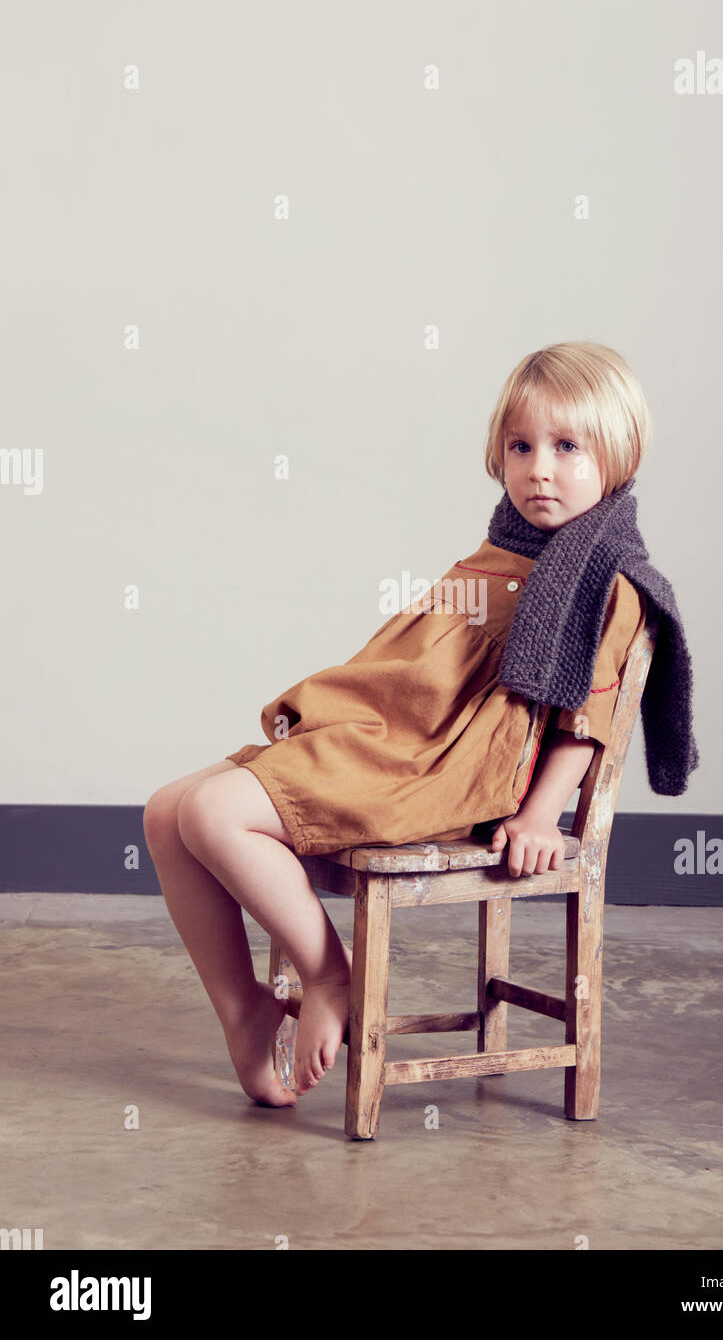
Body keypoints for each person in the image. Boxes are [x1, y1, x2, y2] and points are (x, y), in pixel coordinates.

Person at [143, 341, 692, 1111]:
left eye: (569, 447)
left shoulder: (604, 579)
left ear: (618, 455)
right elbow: (419, 657)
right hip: (397, 736)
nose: (540, 467)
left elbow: (584, 715)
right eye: (521, 445)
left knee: (210, 810)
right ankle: (244, 1010)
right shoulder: (502, 552)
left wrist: (540, 813)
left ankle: (331, 975)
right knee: (167, 813)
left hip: (441, 766)